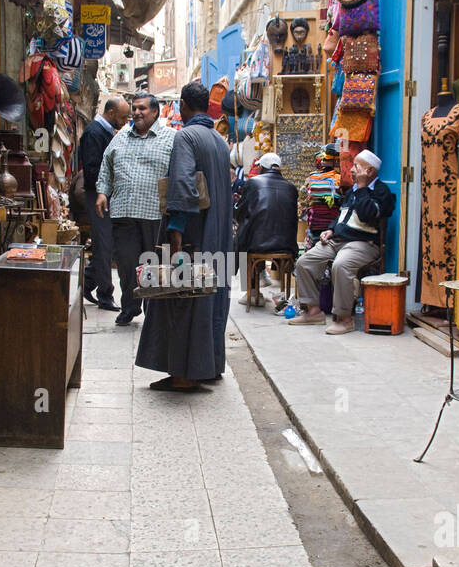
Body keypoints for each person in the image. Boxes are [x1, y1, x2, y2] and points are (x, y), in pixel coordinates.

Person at [135, 81, 233, 391]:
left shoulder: (186, 137)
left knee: (183, 296)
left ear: (182, 106)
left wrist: (175, 233)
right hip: (217, 234)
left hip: (195, 233)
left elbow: (183, 186)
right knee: (210, 297)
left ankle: (184, 375)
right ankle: (209, 367)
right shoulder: (218, 140)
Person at [288, 149, 396, 335]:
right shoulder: (351, 192)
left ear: (369, 171)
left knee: (341, 265)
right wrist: (330, 229)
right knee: (304, 262)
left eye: (356, 166)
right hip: (338, 241)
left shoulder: (381, 192)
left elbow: (367, 214)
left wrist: (362, 189)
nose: (351, 170)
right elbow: (342, 217)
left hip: (363, 244)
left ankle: (345, 318)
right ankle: (313, 311)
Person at [96, 93, 176, 325]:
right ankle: (130, 307)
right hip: (124, 212)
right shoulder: (120, 138)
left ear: (155, 112)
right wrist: (102, 192)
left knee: (152, 263)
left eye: (143, 108)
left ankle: (153, 308)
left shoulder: (171, 138)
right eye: (135, 108)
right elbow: (106, 166)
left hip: (155, 213)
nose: (137, 112)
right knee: (127, 264)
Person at [79, 96, 130, 311]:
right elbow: (92, 171)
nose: (125, 120)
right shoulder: (94, 133)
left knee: (107, 244)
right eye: (122, 116)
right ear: (110, 113)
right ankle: (105, 294)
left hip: (106, 195)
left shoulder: (105, 132)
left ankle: (89, 281)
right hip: (98, 196)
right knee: (104, 243)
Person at [234, 152, 298, 306]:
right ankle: (262, 277)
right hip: (287, 244)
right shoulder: (291, 187)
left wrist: (238, 203)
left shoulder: (252, 183)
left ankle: (253, 290)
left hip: (258, 244)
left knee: (242, 237)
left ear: (262, 167)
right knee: (255, 230)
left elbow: (240, 213)